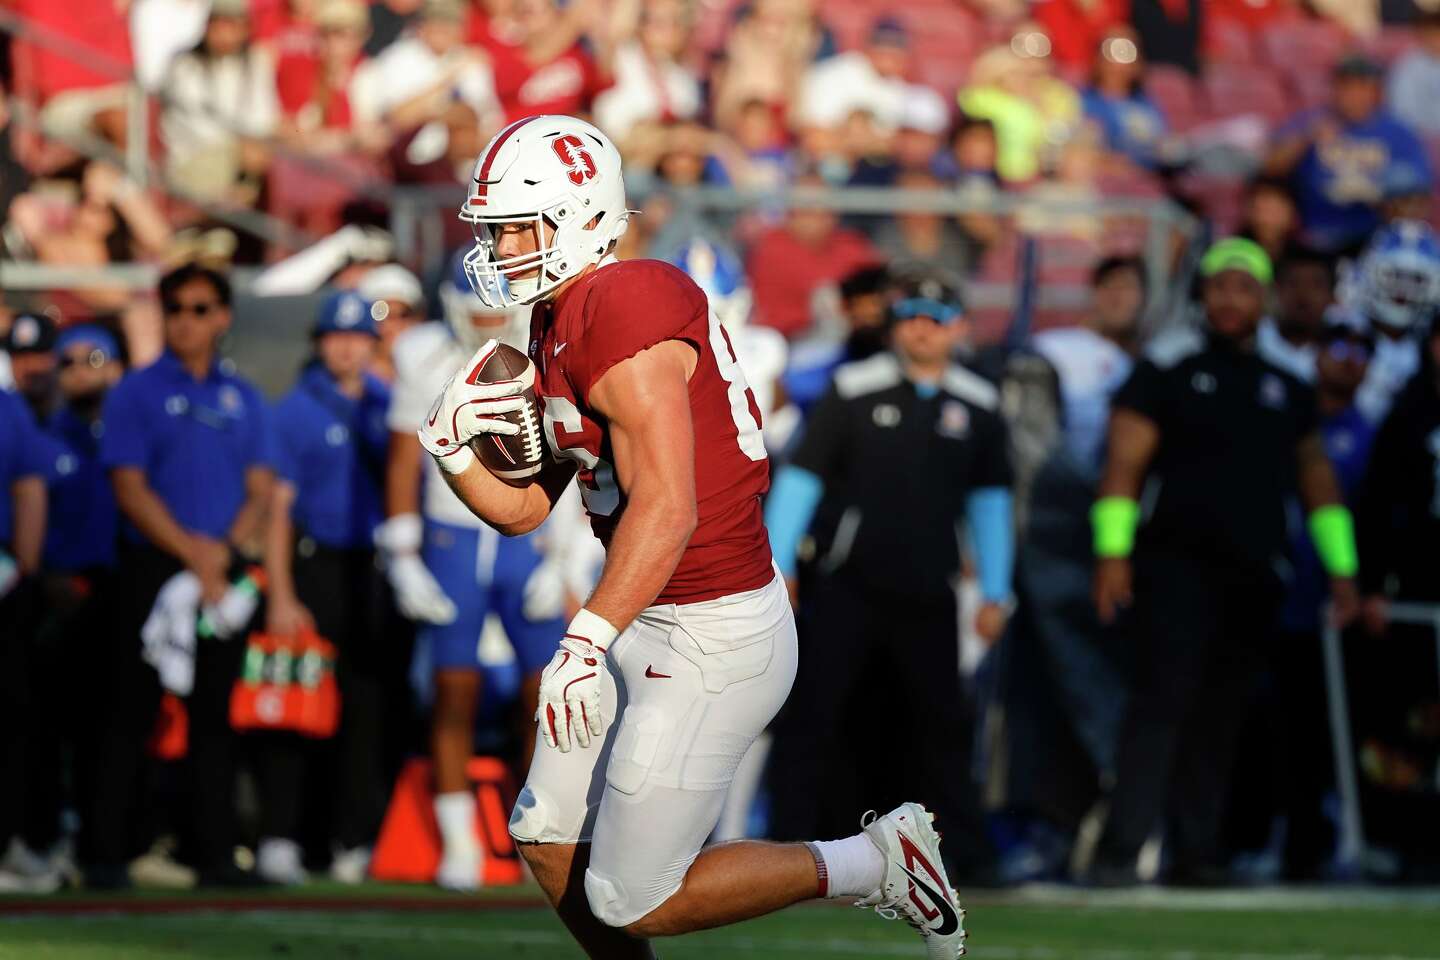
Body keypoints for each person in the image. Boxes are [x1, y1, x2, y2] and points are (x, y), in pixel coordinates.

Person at [421, 115, 970, 959]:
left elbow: (669, 508)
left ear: (579, 218)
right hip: (643, 605)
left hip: (713, 629)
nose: (497, 248)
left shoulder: (624, 300)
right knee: (544, 833)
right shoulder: (559, 318)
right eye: (491, 229)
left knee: (631, 897)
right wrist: (453, 451)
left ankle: (873, 861)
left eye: (513, 226)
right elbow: (529, 509)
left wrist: (582, 637)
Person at [1088, 238, 1360, 886]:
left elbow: (1317, 483)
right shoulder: (1167, 368)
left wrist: (1343, 571)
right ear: (1202, 295)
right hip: (1175, 569)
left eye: (1244, 287)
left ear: (1262, 298)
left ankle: (1196, 853)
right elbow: (1123, 465)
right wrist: (1111, 554)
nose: (1231, 300)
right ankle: (1119, 853)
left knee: (1221, 716)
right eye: (1219, 287)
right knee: (1161, 705)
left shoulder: (1288, 384)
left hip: (1254, 575)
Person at [764, 271, 1012, 885]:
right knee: (818, 713)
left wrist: (997, 589)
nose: (921, 330)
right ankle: (791, 847)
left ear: (957, 326)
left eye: (934, 317)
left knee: (940, 723)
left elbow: (991, 502)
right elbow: (800, 483)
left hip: (930, 591)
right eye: (910, 317)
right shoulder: (851, 390)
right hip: (850, 585)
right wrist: (780, 566)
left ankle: (961, 856)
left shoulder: (979, 406)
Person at [379, 254, 569, 891]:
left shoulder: (544, 350)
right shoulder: (422, 354)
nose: (487, 322)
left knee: (544, 703)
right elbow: (404, 455)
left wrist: (565, 557)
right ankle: (461, 842)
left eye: (496, 308)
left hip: (528, 536)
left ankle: (537, 836)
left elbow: (567, 454)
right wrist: (403, 551)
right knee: (453, 695)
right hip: (451, 537)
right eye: (475, 309)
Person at [97, 264, 275, 888]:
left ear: (222, 316)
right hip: (154, 568)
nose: (185, 320)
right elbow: (128, 484)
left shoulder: (242, 396)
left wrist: (222, 551)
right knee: (130, 713)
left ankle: (215, 853)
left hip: (220, 572)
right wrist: (191, 551)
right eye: (175, 308)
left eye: (200, 309)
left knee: (214, 717)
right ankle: (109, 854)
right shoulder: (136, 392)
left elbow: (261, 486)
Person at [1231, 304, 1378, 881]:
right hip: (1265, 593)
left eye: (1359, 349)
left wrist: (1348, 580)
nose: (1345, 359)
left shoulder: (1369, 432)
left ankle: (1305, 849)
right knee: (1253, 726)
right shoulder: (1282, 414)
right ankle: (1242, 839)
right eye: (1335, 344)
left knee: (1313, 735)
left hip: (1323, 612)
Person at [259, 291, 393, 885]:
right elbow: (279, 511)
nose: (346, 347)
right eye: (335, 336)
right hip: (314, 566)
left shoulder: (390, 406)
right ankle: (283, 834)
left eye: (357, 335)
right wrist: (282, 593)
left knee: (365, 709)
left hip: (375, 568)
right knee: (296, 705)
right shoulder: (295, 409)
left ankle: (351, 837)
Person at [26, 326, 124, 873]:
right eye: (69, 362)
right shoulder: (42, 434)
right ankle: (45, 838)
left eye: (93, 358)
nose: (81, 370)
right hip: (54, 593)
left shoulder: (127, 434)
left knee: (111, 728)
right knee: (48, 727)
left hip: (116, 590)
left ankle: (105, 845)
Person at [1263, 54, 1432, 253]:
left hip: (1375, 232)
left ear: (1376, 92)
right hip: (1316, 232)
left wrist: (1386, 191)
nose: (1354, 94)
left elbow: (1420, 186)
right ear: (1334, 89)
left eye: (1362, 87)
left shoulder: (1398, 132)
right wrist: (1306, 139)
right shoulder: (1309, 121)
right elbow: (1270, 169)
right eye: (1347, 86)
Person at [0, 387, 49, 892]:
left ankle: (8, 842)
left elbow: (30, 489)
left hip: (4, 573)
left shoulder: (9, 406)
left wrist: (22, 569)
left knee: (12, 716)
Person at [1033, 255, 1145, 471]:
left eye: (1129, 289)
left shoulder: (1152, 362)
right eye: (1111, 287)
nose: (1119, 298)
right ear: (1095, 292)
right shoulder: (1052, 346)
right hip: (1055, 481)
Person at [1348, 220, 1440, 423]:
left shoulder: (1431, 348)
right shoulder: (1343, 332)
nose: (1403, 291)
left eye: (1416, 280)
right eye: (1395, 276)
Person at [1257, 246, 1337, 383]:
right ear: (1276, 290)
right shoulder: (1253, 341)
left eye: (1316, 285)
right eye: (1293, 283)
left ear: (1331, 296)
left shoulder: (1344, 352)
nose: (1303, 295)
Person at [356, 263, 426, 383]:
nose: (393, 325)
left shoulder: (434, 376)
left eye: (404, 314)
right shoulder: (353, 382)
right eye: (380, 313)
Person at [1386, 10, 1440, 137]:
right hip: (1421, 138)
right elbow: (1402, 113)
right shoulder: (1407, 66)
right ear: (1422, 35)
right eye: (1433, 34)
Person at [2, 312, 59, 422]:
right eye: (21, 357)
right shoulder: (4, 415)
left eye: (38, 355)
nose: (30, 367)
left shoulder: (82, 411)